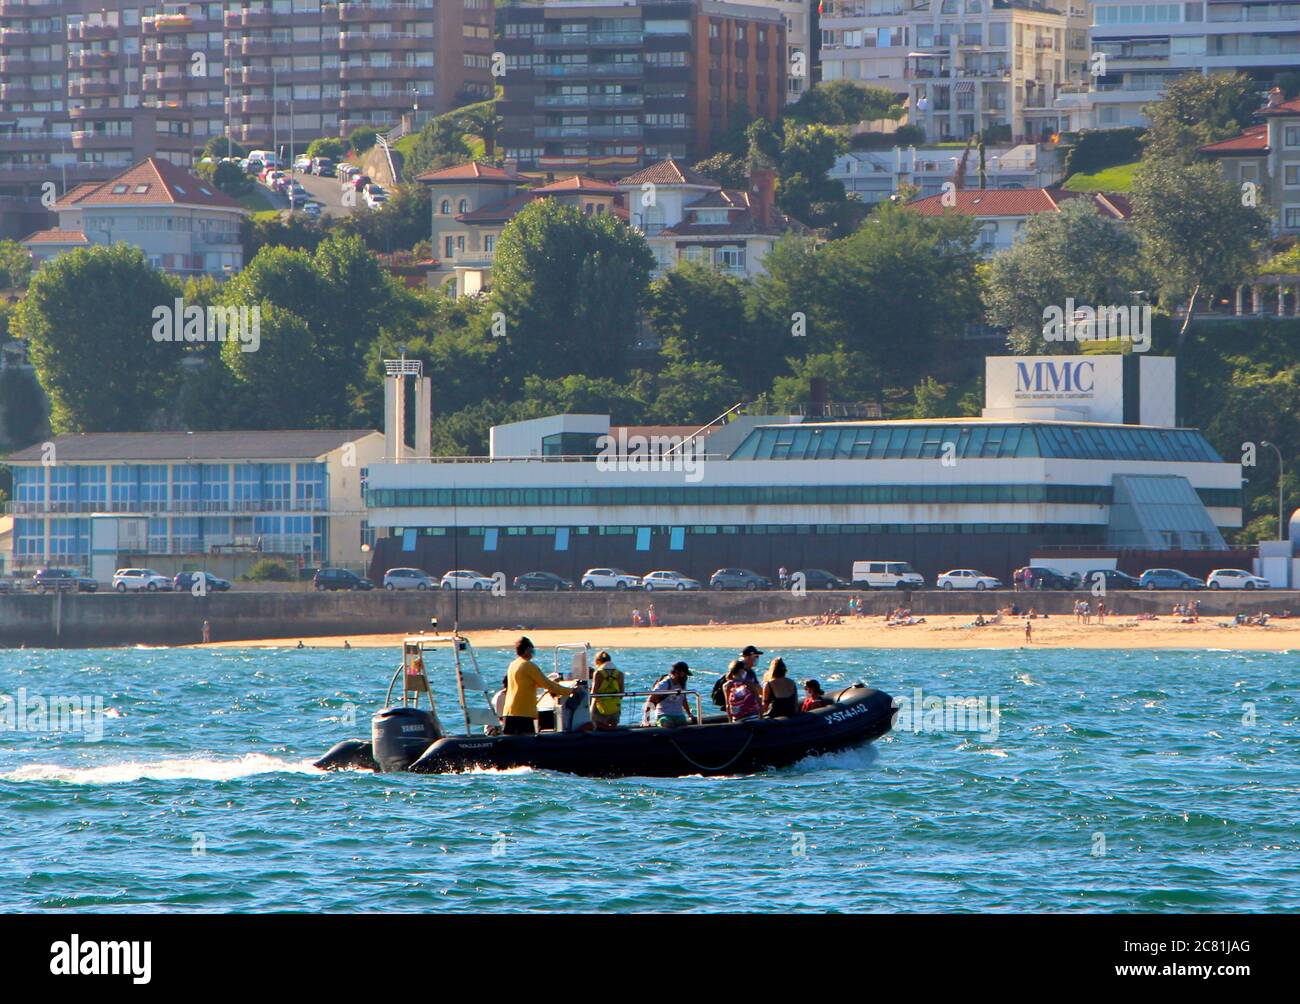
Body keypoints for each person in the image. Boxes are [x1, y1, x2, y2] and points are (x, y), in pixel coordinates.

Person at [502, 636, 575, 735]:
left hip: (509, 712)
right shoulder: (528, 665)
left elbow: (528, 683)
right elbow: (548, 685)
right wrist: (571, 691)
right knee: (526, 745)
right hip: (523, 713)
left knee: (510, 745)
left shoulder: (513, 664)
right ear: (527, 649)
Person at [648, 661, 695, 728]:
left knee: (685, 728)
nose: (685, 677)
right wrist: (646, 719)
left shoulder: (682, 684)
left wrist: (689, 714)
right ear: (676, 673)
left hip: (678, 715)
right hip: (663, 715)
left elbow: (683, 700)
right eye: (684, 674)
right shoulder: (665, 684)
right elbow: (651, 699)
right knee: (668, 724)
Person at [590, 651, 624, 730]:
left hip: (600, 707)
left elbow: (593, 692)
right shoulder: (619, 674)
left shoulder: (598, 673)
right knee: (613, 728)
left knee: (598, 728)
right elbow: (621, 693)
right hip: (615, 706)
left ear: (598, 662)